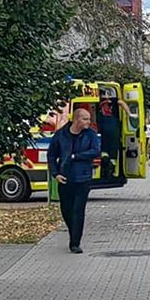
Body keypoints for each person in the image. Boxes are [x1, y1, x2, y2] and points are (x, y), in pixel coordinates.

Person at [48, 103, 103, 252]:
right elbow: (51, 155)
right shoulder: (61, 135)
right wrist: (55, 174)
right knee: (66, 210)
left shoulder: (90, 134)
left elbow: (95, 151)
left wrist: (76, 156)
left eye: (89, 119)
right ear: (76, 119)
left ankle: (75, 242)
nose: (88, 122)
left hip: (83, 178)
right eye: (85, 119)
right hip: (65, 178)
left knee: (78, 209)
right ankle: (73, 231)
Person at [95, 90, 124, 183]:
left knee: (107, 151)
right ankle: (109, 170)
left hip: (106, 130)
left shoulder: (100, 103)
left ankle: (108, 169)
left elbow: (121, 102)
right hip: (110, 129)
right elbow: (121, 103)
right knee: (110, 152)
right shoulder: (110, 102)